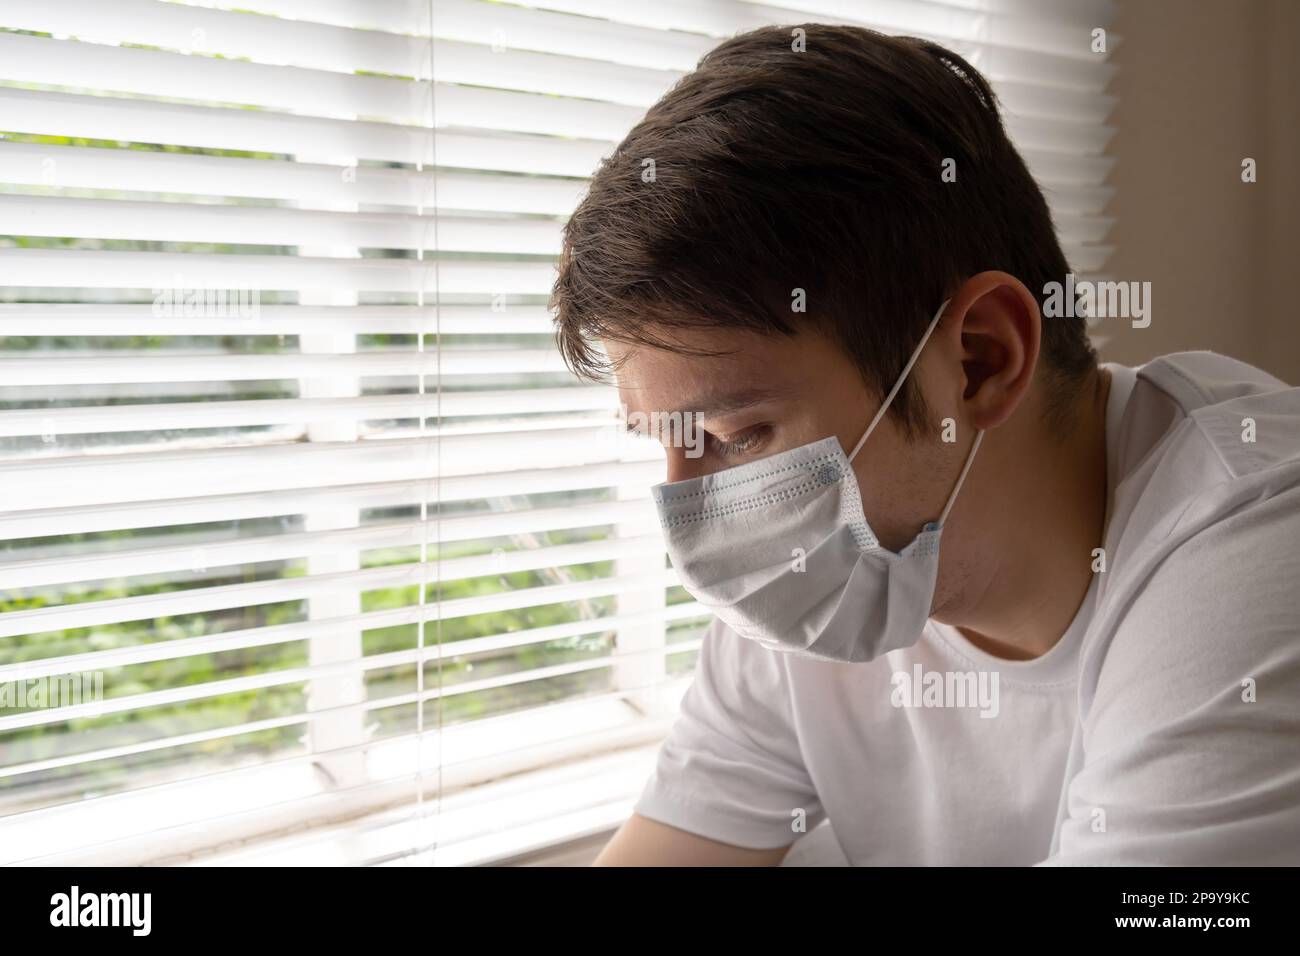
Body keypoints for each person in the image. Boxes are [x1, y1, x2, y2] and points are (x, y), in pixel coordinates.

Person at [549, 24, 1300, 865]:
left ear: (981, 359)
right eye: (666, 441)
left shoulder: (1260, 547)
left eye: (735, 435)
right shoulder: (819, 590)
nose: (694, 517)